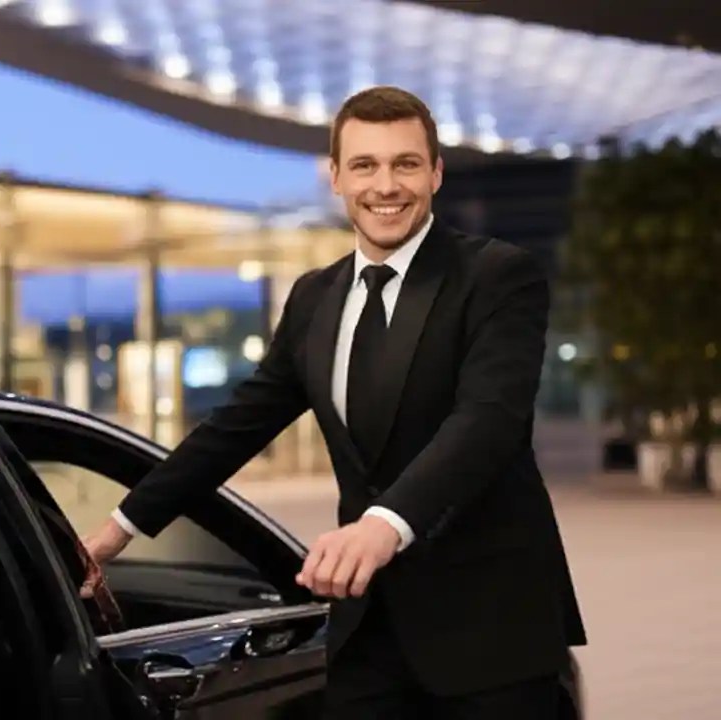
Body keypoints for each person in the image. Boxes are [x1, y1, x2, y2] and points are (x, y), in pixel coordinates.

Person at [79, 86, 586, 719]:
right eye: (365, 165)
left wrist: (383, 525)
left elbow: (488, 421)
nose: (386, 185)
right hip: (367, 631)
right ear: (337, 177)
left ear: (435, 173)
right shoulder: (314, 298)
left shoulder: (497, 275)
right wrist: (117, 530)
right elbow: (236, 427)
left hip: (491, 632)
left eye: (405, 164)